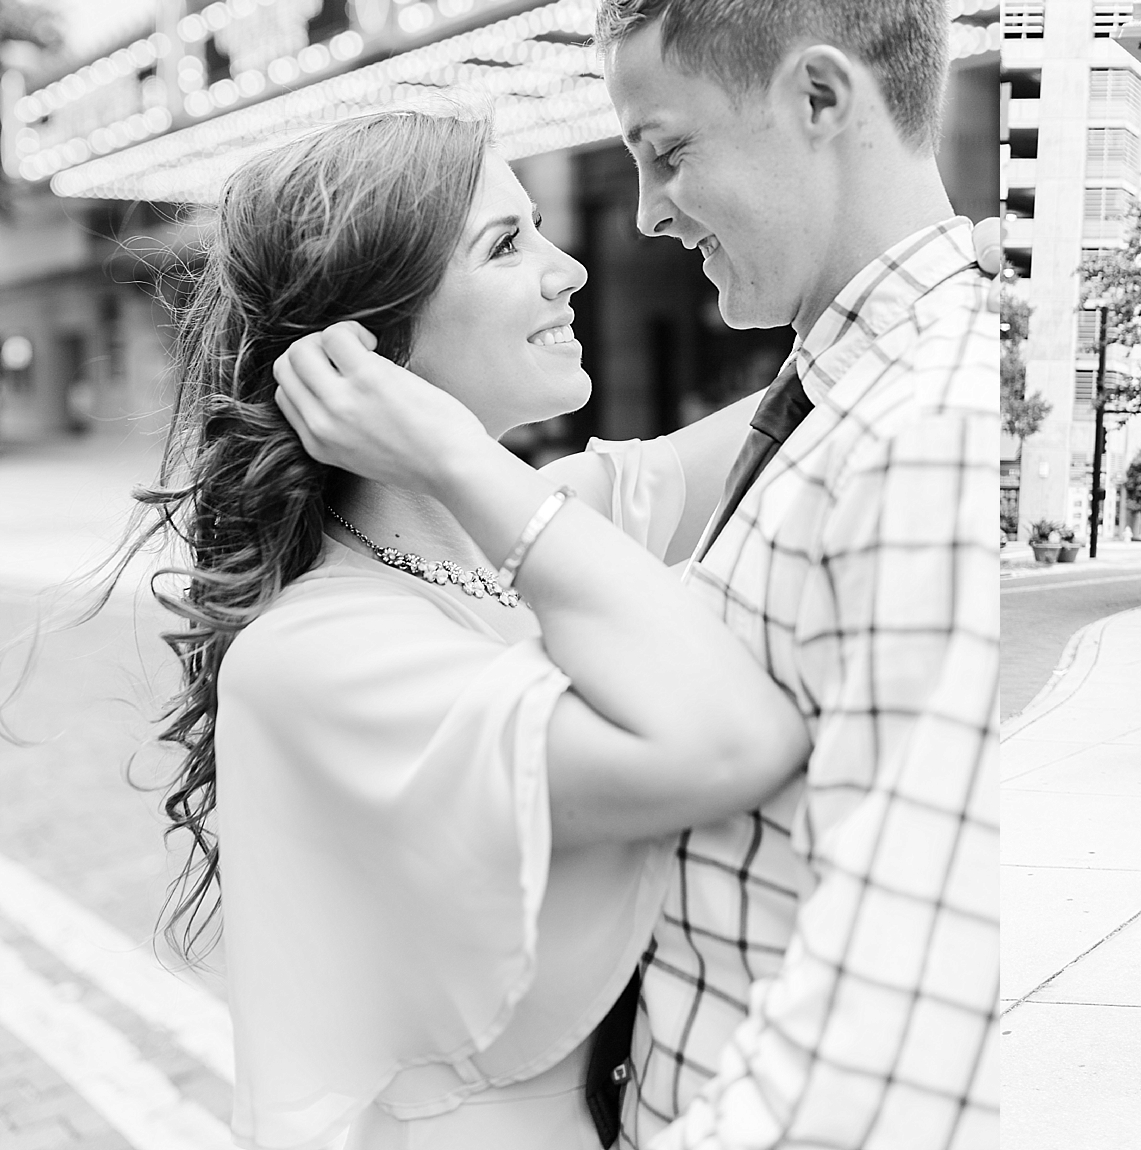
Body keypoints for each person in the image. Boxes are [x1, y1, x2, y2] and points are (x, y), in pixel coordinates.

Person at [300, 0, 1002, 1148]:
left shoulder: (912, 428)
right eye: (505, 245)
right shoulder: (840, 394)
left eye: (666, 151)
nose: (637, 219)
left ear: (821, 98)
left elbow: (884, 1032)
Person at [130, 108, 810, 1149]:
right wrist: (450, 455)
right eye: (505, 245)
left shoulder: (515, 534)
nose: (569, 267)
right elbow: (730, 744)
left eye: (538, 227)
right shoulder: (316, 658)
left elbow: (791, 414)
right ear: (366, 351)